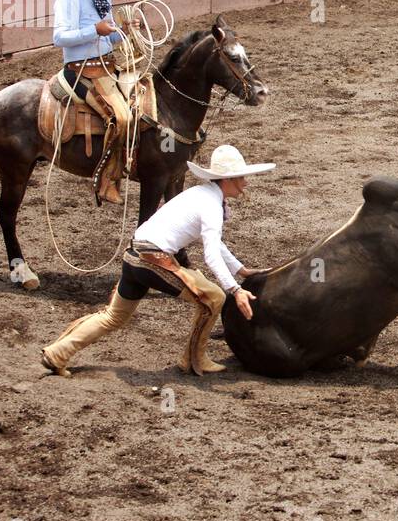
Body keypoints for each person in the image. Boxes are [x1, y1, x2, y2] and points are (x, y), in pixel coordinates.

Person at [40, 144, 273, 379]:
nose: (246, 182)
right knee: (214, 297)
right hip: (152, 259)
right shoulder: (211, 206)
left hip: (134, 255)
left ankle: (56, 353)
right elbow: (211, 253)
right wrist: (235, 289)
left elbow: (215, 243)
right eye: (242, 176)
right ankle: (194, 358)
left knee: (113, 316)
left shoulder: (202, 195)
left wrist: (240, 270)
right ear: (228, 180)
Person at [52, 0, 139, 206]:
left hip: (106, 66)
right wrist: (94, 31)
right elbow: (59, 38)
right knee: (121, 117)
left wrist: (124, 31)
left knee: (141, 104)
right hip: (81, 71)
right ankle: (107, 180)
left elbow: (109, 38)